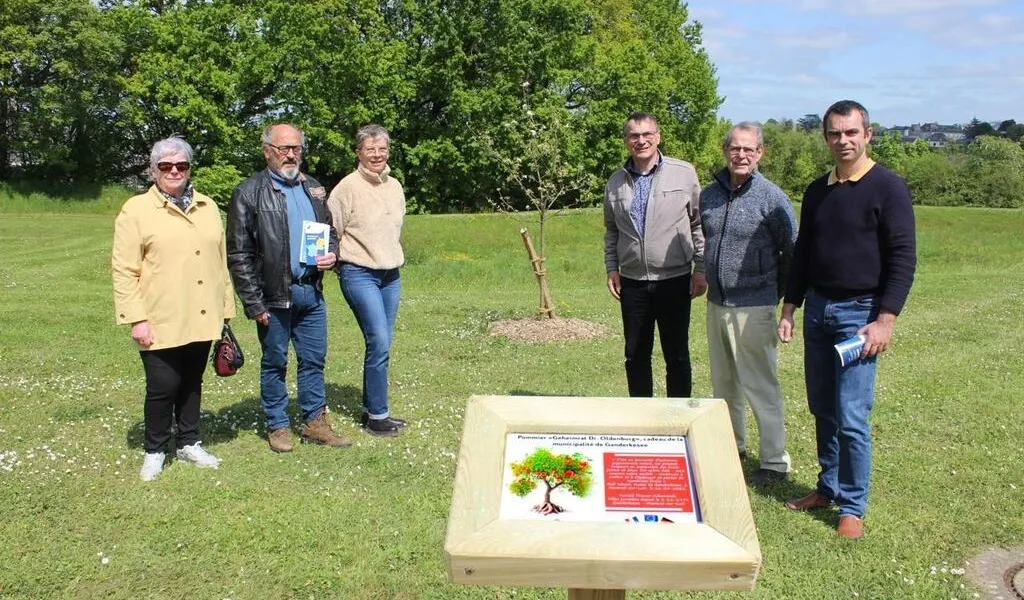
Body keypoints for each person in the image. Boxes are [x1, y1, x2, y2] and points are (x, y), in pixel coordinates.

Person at [778, 100, 916, 539]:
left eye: (851, 133)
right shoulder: (818, 191)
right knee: (822, 407)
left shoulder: (888, 188)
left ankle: (852, 507)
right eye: (835, 133)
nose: (843, 141)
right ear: (825, 138)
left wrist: (886, 319)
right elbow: (804, 255)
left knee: (851, 413)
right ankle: (828, 487)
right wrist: (790, 306)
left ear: (867, 134)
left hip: (860, 316)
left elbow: (903, 258)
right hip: (818, 309)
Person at [112, 137, 235, 481]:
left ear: (189, 168)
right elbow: (124, 269)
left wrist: (225, 308)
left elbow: (219, 261)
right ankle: (155, 449)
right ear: (153, 171)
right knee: (163, 384)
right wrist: (136, 318)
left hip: (202, 311)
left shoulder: (208, 206)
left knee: (192, 381)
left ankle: (189, 441)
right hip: (160, 315)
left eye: (181, 165)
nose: (174, 171)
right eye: (166, 166)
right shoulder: (135, 210)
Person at [227, 123, 351, 452]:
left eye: (296, 148)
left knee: (313, 360)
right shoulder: (248, 192)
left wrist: (333, 255)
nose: (291, 154)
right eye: (284, 148)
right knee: (275, 362)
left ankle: (314, 423)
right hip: (273, 297)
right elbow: (238, 254)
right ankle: (278, 425)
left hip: (311, 292)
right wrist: (254, 304)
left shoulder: (314, 189)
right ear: (267, 150)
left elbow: (330, 232)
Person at [700, 122, 797, 487]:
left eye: (749, 150)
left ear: (760, 154)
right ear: (725, 150)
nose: (741, 155)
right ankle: (732, 446)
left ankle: (774, 460)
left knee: (760, 384)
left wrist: (781, 296)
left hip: (755, 306)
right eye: (735, 149)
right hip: (717, 303)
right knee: (724, 384)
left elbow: (793, 249)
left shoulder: (772, 198)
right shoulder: (709, 195)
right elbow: (703, 241)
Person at [603, 112, 707, 398]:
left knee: (677, 355)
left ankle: (678, 419)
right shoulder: (615, 182)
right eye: (634, 135)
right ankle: (643, 420)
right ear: (626, 141)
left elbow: (698, 223)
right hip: (633, 281)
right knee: (635, 355)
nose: (641, 140)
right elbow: (612, 230)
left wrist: (701, 267)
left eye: (647, 134)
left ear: (658, 136)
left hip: (674, 278)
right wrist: (612, 267)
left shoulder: (684, 173)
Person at [327, 124, 408, 437]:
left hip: (390, 274)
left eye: (382, 149)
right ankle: (377, 417)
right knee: (379, 341)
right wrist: (337, 265)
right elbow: (331, 230)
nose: (377, 154)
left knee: (383, 343)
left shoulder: (395, 186)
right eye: (370, 149)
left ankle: (371, 408)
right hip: (359, 272)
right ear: (358, 152)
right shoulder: (347, 188)